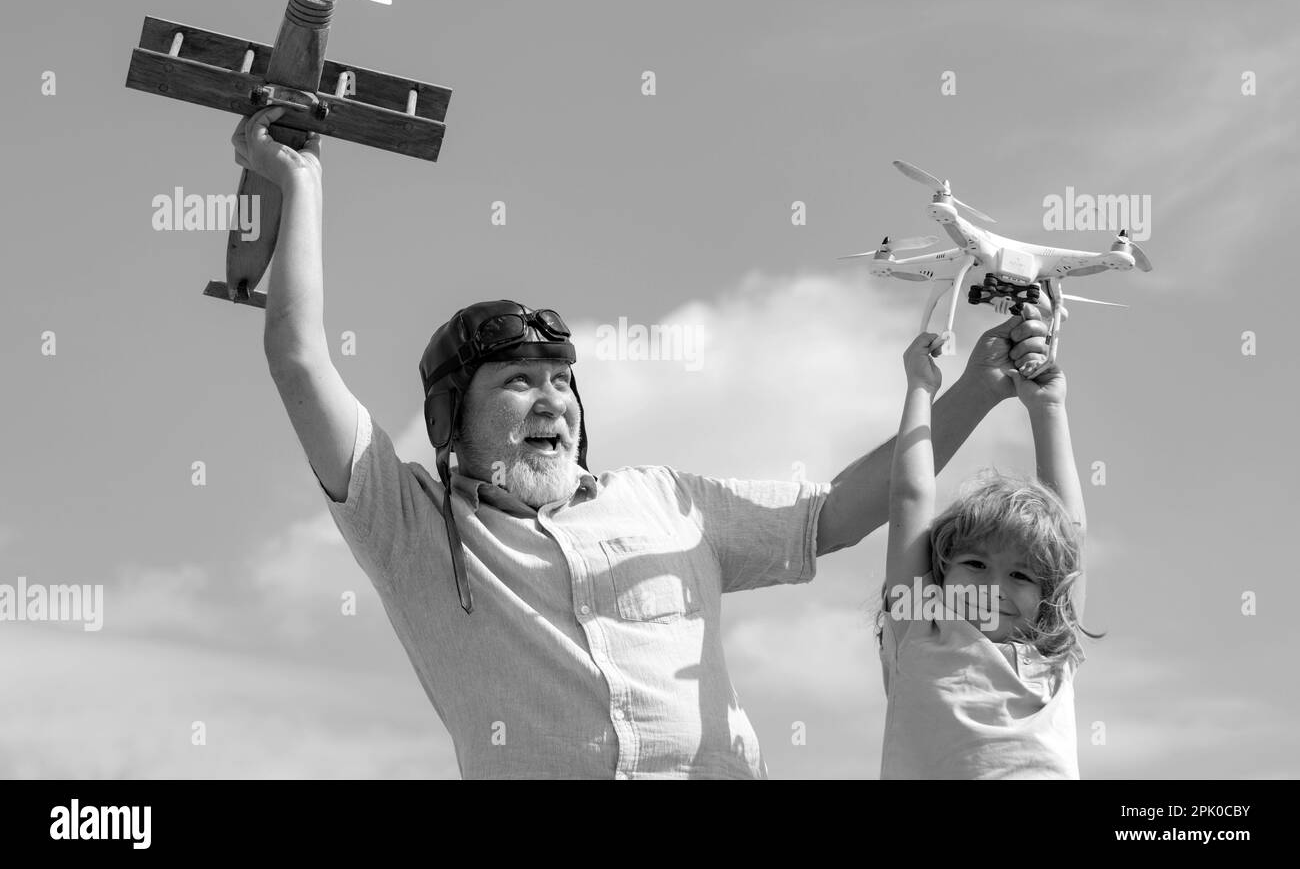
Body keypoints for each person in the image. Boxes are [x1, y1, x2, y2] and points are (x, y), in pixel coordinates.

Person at [234, 106, 1055, 779]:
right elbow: (299, 358)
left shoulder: (667, 501)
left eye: (561, 379)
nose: (551, 396)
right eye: (517, 381)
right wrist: (299, 183)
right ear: (452, 419)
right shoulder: (413, 527)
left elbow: (837, 513)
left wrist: (979, 392)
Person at [879, 329, 1096, 778]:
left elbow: (1068, 532)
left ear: (1047, 594)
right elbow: (909, 497)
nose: (994, 587)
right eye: (976, 564)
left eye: (1021, 575)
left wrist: (1048, 408)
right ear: (939, 574)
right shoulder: (919, 628)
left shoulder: (1052, 650)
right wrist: (920, 388)